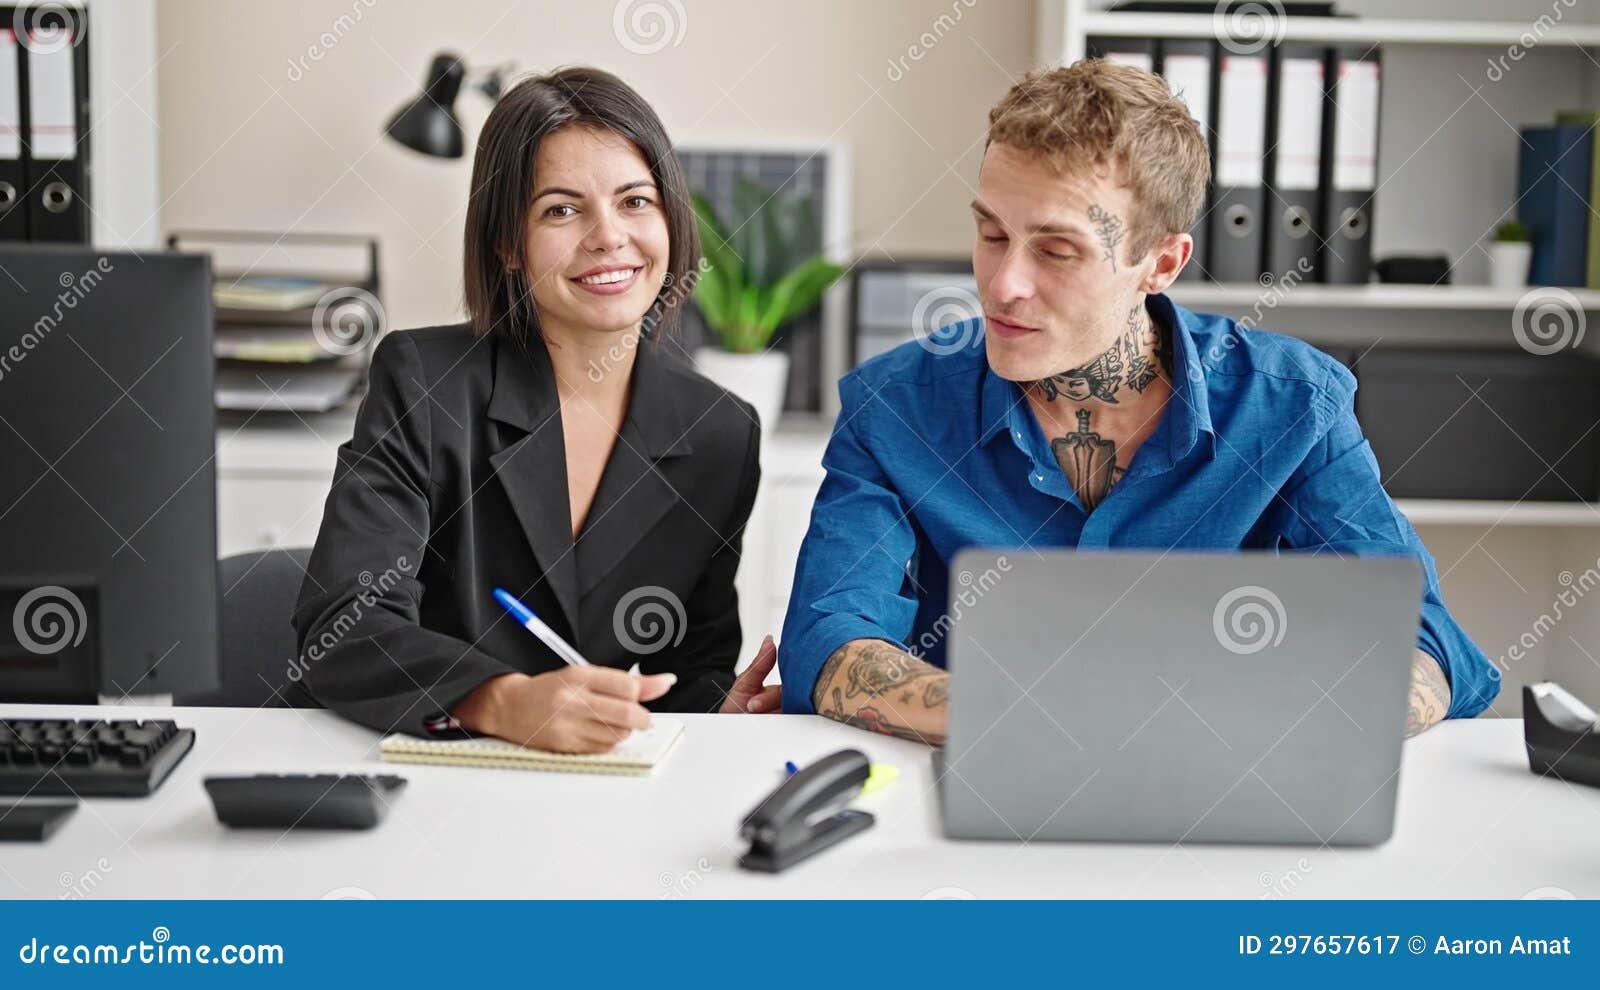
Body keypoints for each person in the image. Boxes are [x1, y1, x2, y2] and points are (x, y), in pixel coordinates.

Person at [779, 58, 1498, 743]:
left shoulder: (1292, 406)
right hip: (972, 798)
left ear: (1160, 263)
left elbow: (1425, 641)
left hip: (1229, 796)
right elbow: (828, 642)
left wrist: (1249, 729)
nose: (1002, 284)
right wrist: (1046, 724)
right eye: (991, 233)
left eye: (1056, 251)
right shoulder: (895, 406)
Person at [294, 66, 780, 752]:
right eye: (561, 209)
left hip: (585, 796)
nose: (609, 236)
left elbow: (687, 665)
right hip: (422, 766)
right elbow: (343, 624)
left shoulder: (721, 431)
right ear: (507, 244)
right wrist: (501, 700)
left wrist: (720, 709)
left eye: (635, 201)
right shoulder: (425, 384)